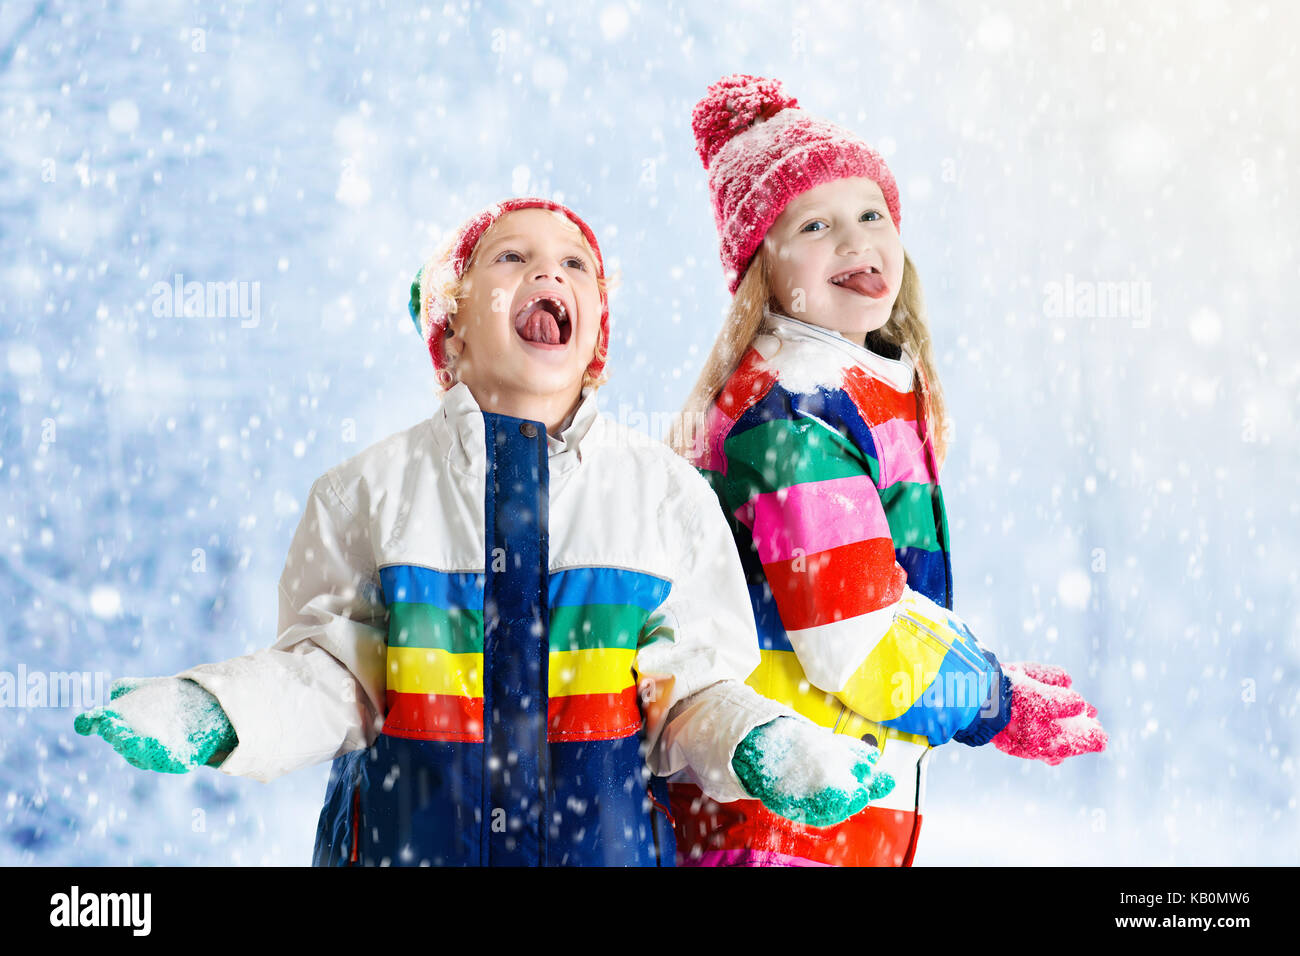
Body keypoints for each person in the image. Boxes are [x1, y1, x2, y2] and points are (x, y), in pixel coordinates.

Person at [74, 196, 895, 866]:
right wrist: (218, 708)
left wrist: (764, 743)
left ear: (595, 339)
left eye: (575, 264)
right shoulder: (369, 494)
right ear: (454, 325)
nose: (549, 270)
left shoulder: (664, 498)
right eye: (510, 257)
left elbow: (694, 691)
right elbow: (328, 678)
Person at [665, 75, 1108, 867]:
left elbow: (879, 601)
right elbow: (856, 638)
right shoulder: (795, 414)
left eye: (872, 214)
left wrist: (978, 679)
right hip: (781, 823)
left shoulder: (858, 388)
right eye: (815, 224)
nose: (855, 240)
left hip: (832, 818)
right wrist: (991, 699)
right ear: (763, 267)